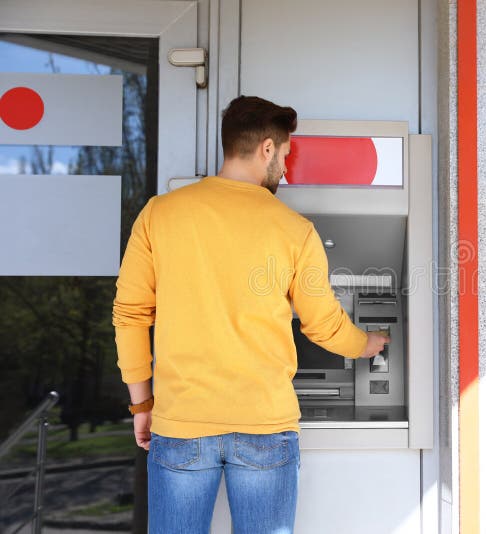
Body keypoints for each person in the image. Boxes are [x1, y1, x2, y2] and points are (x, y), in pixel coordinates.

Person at [112, 96, 389, 533]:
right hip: (265, 426)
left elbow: (130, 316)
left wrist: (142, 403)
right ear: (266, 148)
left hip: (182, 424)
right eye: (285, 154)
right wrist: (370, 343)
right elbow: (324, 325)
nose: (286, 165)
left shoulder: (159, 215)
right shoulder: (295, 231)